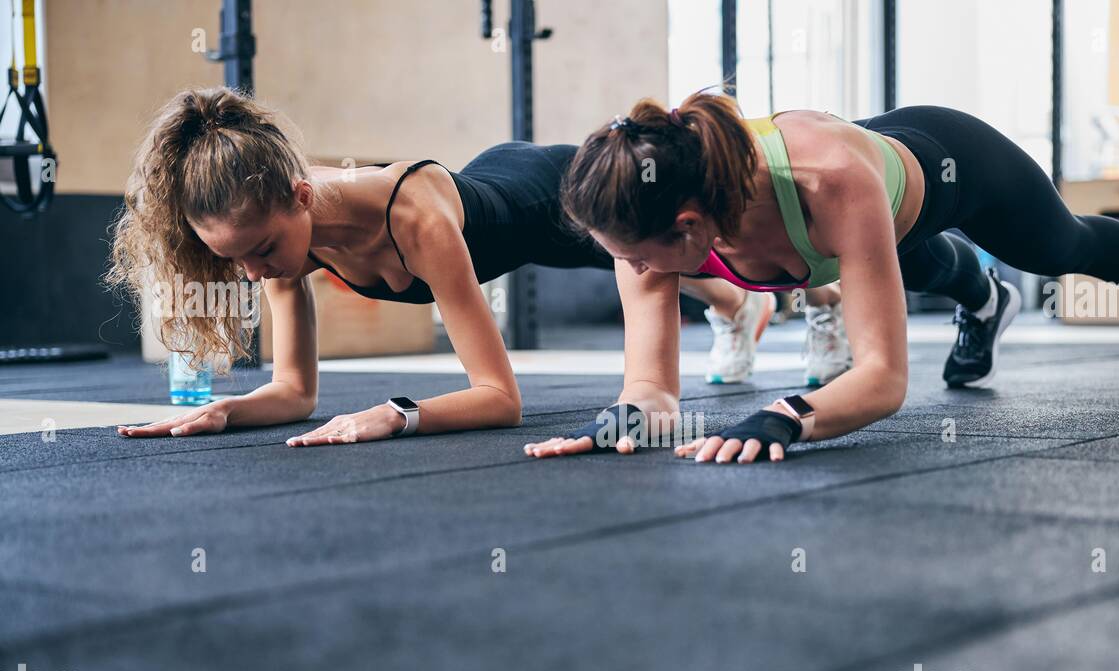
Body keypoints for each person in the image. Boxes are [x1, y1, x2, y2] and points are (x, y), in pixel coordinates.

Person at [523, 93, 1119, 464]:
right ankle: (983, 300)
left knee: (1064, 247)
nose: (632, 270)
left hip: (954, 165)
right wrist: (629, 418)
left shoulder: (831, 182)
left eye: (638, 256)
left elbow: (883, 378)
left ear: (690, 226)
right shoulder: (639, 215)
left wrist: (790, 417)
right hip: (860, 230)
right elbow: (652, 388)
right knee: (912, 263)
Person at [106, 87, 746, 446]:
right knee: (663, 270)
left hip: (546, 195)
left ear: (302, 196)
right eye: (235, 258)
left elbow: (500, 399)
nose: (252, 273)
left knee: (681, 255)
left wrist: (398, 412)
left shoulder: (415, 221)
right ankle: (740, 308)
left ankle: (762, 301)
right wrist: (228, 409)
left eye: (262, 252)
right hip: (488, 183)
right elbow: (296, 393)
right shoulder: (273, 236)